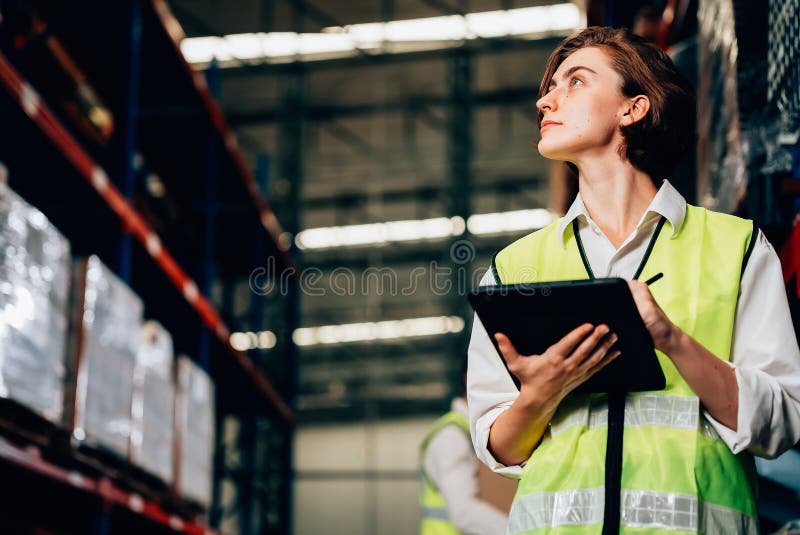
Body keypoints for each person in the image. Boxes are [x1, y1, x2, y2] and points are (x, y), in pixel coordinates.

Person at [467, 26, 800, 535]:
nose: (545, 100)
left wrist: (672, 339)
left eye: (574, 81)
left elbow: (780, 422)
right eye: (549, 87)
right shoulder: (515, 268)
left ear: (633, 108)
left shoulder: (735, 249)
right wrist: (539, 395)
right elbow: (497, 448)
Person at [420, 358, 509, 534]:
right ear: (471, 379)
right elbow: (464, 513)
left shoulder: (475, 433)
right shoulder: (451, 436)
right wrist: (521, 530)